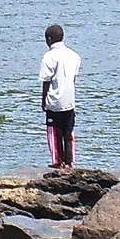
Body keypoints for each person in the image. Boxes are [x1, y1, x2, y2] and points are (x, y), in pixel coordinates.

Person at [39, 24, 81, 168]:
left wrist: (43, 100)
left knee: (54, 132)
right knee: (68, 133)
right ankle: (69, 161)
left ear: (49, 39)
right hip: (69, 100)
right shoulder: (74, 56)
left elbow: (46, 81)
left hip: (54, 101)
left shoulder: (49, 57)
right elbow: (73, 79)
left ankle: (57, 162)